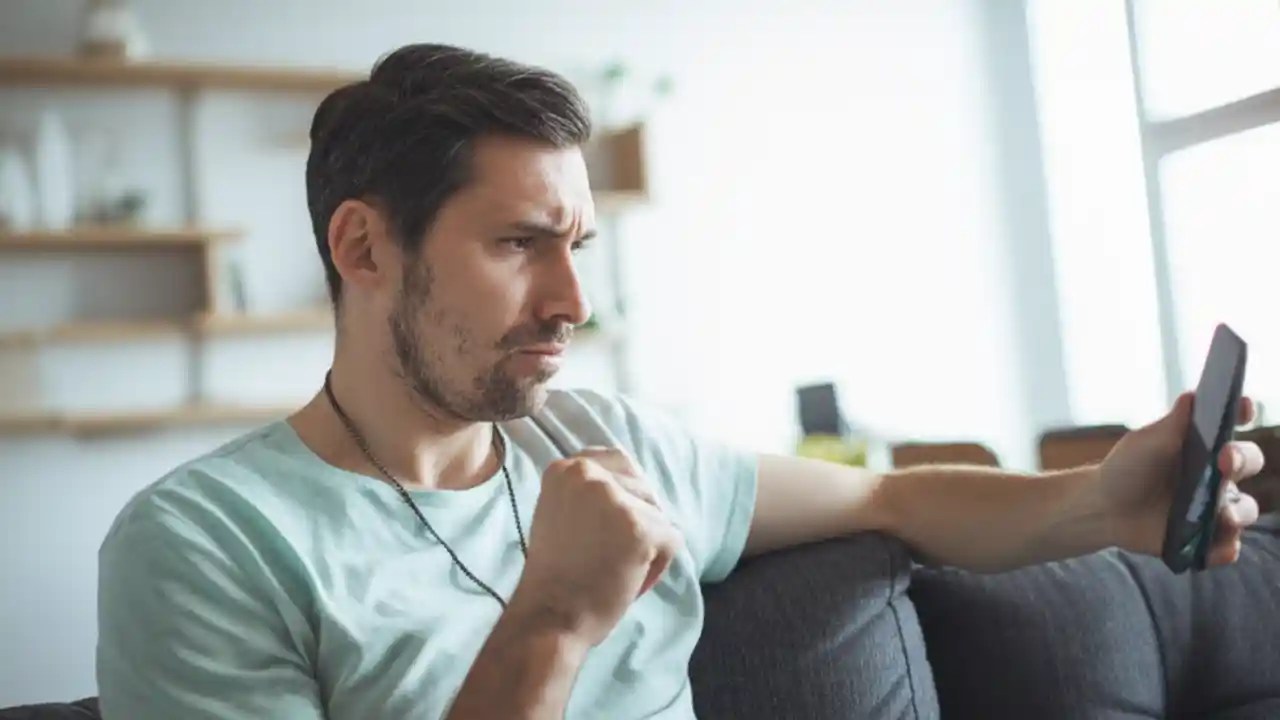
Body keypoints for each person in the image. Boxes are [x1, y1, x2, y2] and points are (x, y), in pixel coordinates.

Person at [96, 44, 1264, 720]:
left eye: (577, 246)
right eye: (518, 245)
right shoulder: (205, 544)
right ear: (363, 247)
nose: (572, 301)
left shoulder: (601, 442)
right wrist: (554, 618)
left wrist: (1097, 501)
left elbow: (890, 497)